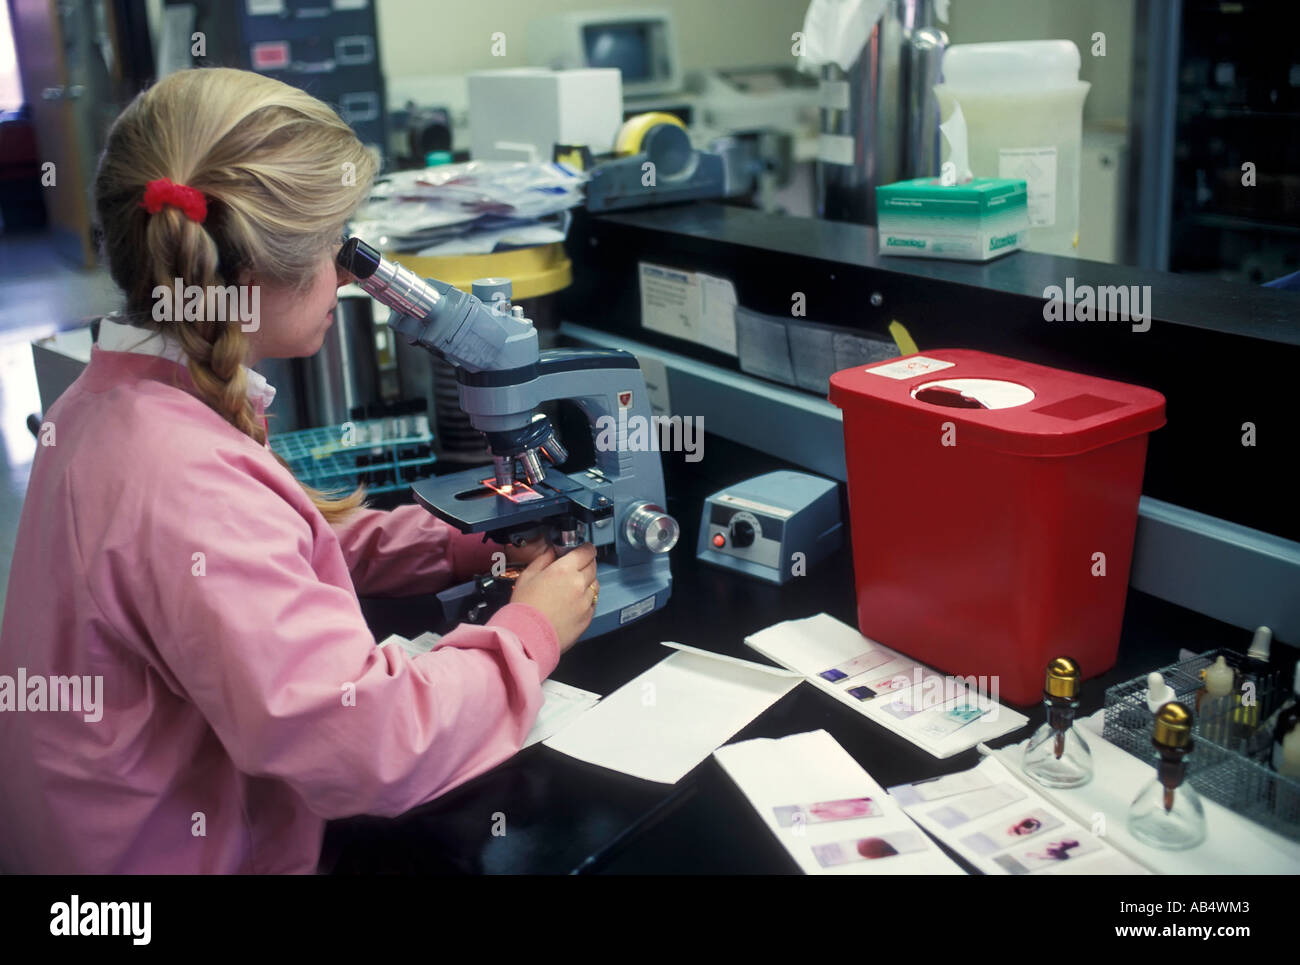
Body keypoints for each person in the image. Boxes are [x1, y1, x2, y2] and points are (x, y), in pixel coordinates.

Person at [0, 67, 598, 874]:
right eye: (335, 244)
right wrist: (530, 632)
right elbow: (371, 745)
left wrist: (464, 543)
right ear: (247, 283)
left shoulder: (113, 400)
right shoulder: (181, 475)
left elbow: (266, 553)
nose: (353, 273)